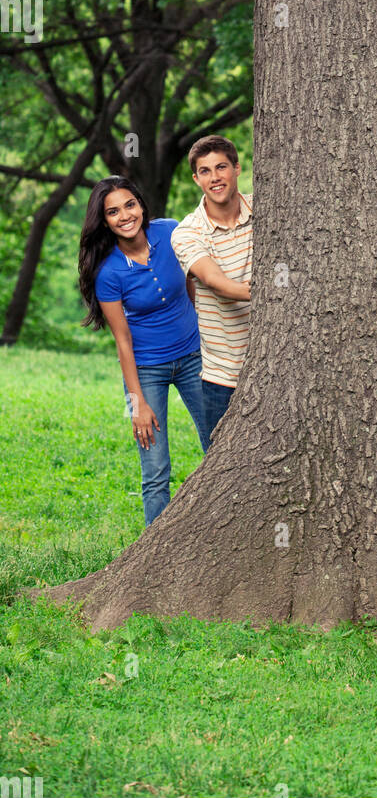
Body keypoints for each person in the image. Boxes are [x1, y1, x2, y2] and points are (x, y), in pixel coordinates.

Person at [78, 176, 209, 526]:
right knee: (155, 470)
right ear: (104, 221)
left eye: (129, 205)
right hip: (146, 370)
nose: (124, 216)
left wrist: (205, 335)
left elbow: (191, 283)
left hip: (195, 357)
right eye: (113, 212)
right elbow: (122, 341)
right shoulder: (108, 273)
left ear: (141, 205)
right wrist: (137, 405)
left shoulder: (170, 232)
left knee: (221, 444)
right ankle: (156, 554)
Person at [171, 136, 252, 439]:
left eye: (221, 167)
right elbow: (215, 281)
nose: (215, 177)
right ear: (196, 179)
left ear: (237, 168)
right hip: (223, 377)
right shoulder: (187, 232)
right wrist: (272, 297)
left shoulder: (268, 212)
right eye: (205, 171)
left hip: (279, 371)